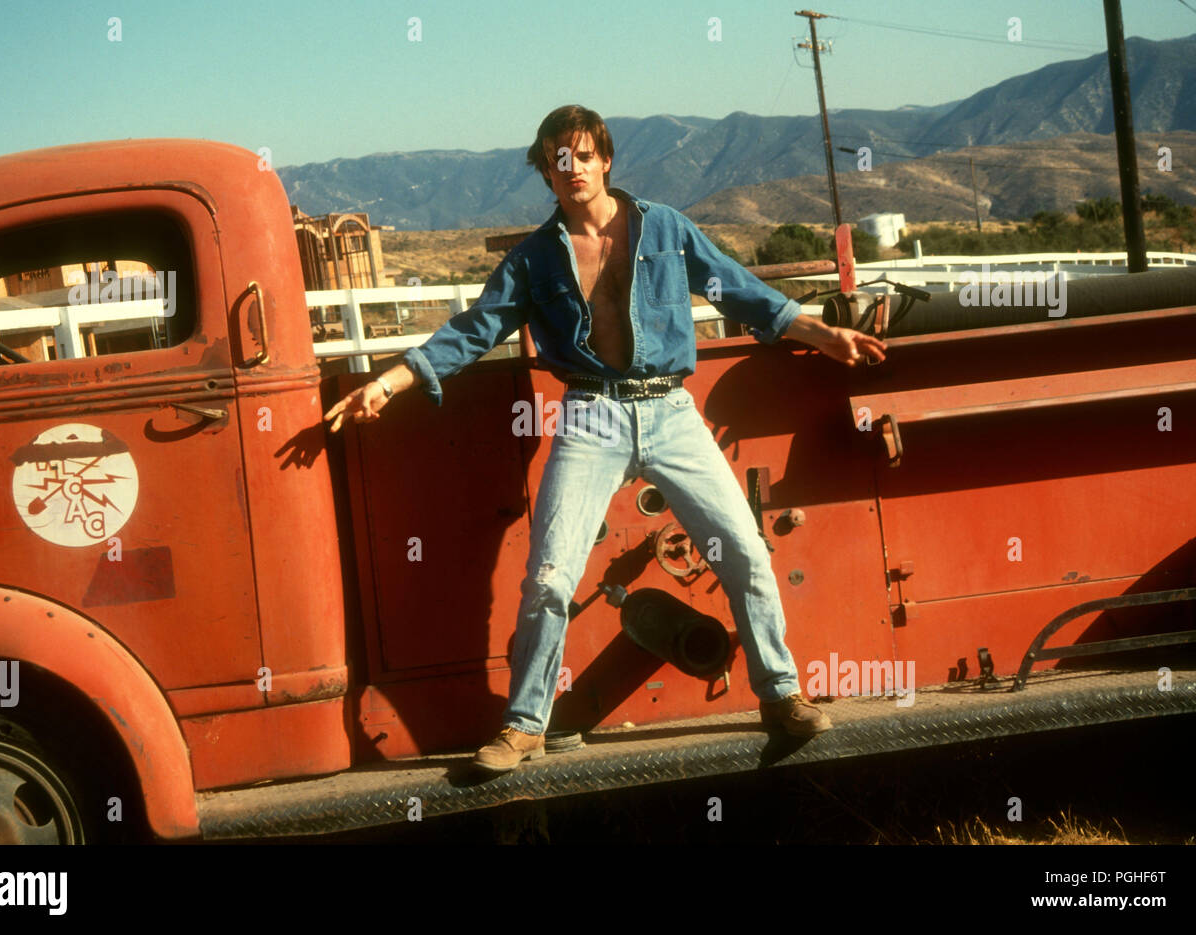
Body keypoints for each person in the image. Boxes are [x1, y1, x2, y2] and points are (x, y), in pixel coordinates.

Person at [324, 105, 887, 772]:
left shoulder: (665, 228)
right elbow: (475, 328)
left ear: (605, 160)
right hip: (591, 414)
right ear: (547, 174)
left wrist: (826, 334)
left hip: (672, 411)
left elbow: (736, 289)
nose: (571, 171)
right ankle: (525, 726)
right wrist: (389, 383)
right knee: (549, 578)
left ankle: (781, 695)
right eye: (556, 162)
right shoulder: (535, 258)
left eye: (582, 156)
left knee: (744, 550)